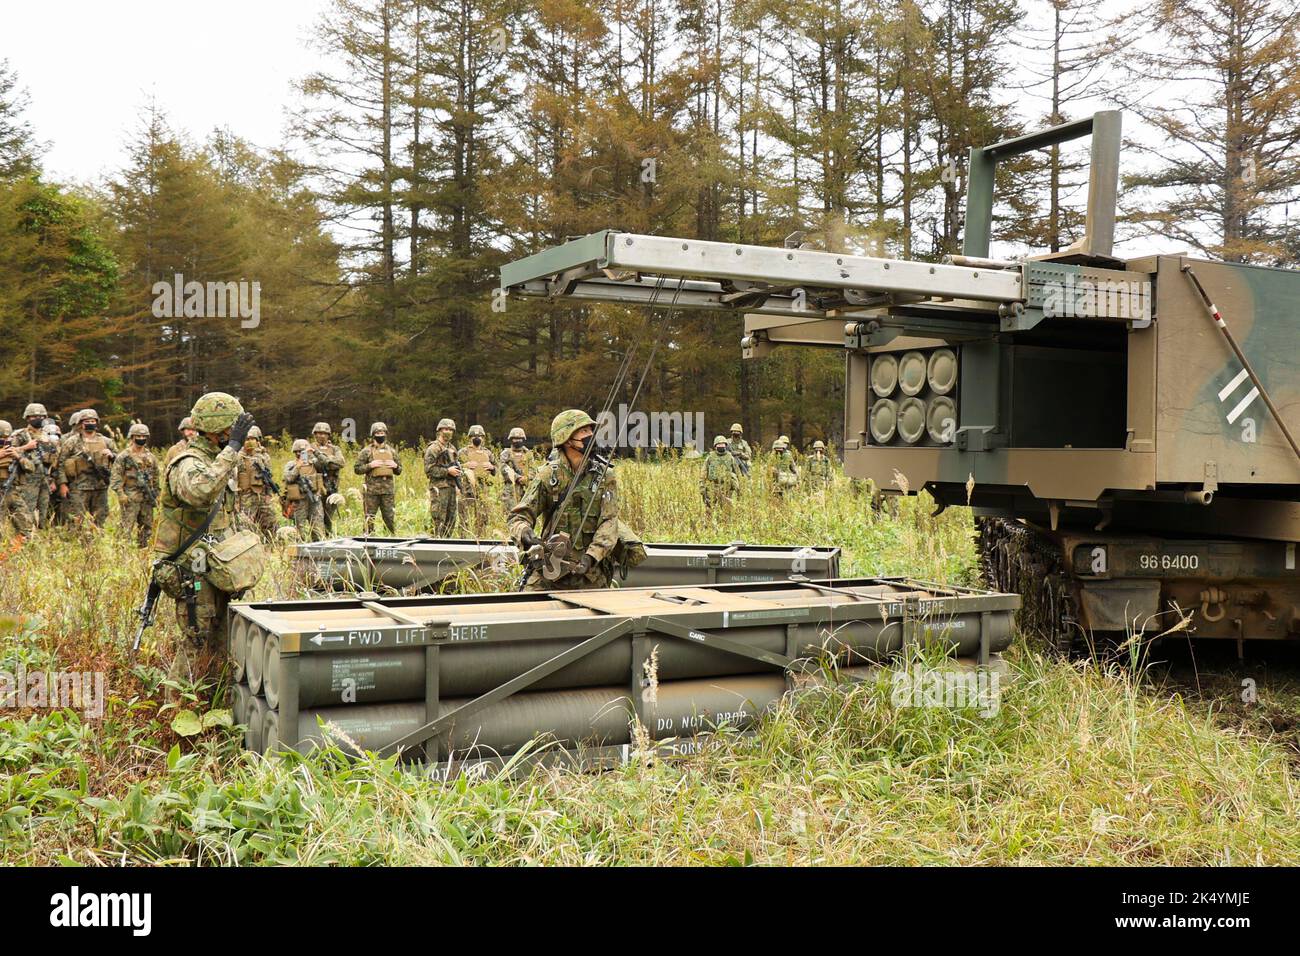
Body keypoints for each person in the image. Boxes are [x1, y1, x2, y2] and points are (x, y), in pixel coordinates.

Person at [152, 392, 265, 687]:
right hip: (192, 569)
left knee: (224, 637)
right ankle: (179, 705)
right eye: (232, 429)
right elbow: (200, 491)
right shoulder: (187, 462)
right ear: (218, 429)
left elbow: (226, 517)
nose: (237, 436)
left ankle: (215, 697)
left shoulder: (217, 460)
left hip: (217, 565)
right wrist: (232, 449)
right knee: (196, 640)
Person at [508, 409, 636, 592]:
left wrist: (591, 556)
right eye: (584, 431)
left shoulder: (605, 476)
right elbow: (519, 517)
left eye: (591, 430)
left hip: (590, 574)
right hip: (550, 570)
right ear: (566, 439)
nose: (591, 435)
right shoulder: (548, 476)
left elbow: (609, 521)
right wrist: (524, 532)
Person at [58, 408, 117, 529]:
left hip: (100, 486)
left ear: (97, 422)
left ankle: (97, 539)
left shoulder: (106, 441)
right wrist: (63, 484)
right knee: (77, 519)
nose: (90, 423)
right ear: (81, 424)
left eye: (92, 421)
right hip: (78, 487)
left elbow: (119, 462)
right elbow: (60, 463)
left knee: (100, 519)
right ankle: (78, 540)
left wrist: (112, 455)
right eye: (86, 421)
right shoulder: (72, 442)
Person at [109, 423, 159, 547]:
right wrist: (120, 494)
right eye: (138, 436)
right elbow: (116, 476)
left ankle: (144, 550)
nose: (141, 439)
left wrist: (156, 494)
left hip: (147, 497)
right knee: (126, 527)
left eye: (143, 436)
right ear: (132, 437)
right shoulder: (124, 456)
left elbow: (155, 477)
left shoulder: (151, 457)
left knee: (147, 527)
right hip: (130, 496)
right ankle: (122, 550)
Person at [355, 421, 401, 535]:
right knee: (369, 519)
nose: (380, 435)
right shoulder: (366, 451)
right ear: (373, 434)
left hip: (388, 491)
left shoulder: (392, 451)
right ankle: (368, 539)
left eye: (382, 433)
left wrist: (395, 466)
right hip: (371, 491)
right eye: (378, 433)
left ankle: (390, 539)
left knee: (389, 519)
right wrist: (370, 465)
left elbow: (399, 470)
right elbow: (357, 469)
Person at [235, 426, 279, 541]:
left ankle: (272, 546)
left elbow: (268, 477)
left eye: (252, 439)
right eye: (247, 439)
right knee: (246, 527)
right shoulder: (238, 457)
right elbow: (233, 480)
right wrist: (236, 501)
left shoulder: (264, 456)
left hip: (263, 496)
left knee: (271, 524)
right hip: (245, 497)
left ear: (258, 441)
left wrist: (269, 494)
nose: (249, 442)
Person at [282, 438, 327, 541]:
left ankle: (319, 546)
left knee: (318, 527)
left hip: (314, 499)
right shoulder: (291, 464)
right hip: (299, 501)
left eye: (302, 452)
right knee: (300, 528)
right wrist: (297, 467)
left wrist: (315, 452)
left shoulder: (314, 463)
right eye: (297, 452)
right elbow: (288, 478)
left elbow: (326, 463)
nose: (299, 454)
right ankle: (300, 547)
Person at [423, 418, 460, 537]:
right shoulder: (433, 448)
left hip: (451, 488)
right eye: (446, 429)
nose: (448, 431)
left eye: (450, 429)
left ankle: (446, 544)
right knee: (438, 520)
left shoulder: (452, 448)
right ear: (439, 430)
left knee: (451, 520)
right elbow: (429, 469)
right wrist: (447, 471)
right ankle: (435, 543)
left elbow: (456, 467)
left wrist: (458, 485)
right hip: (439, 489)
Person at [458, 424, 496, 537]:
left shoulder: (488, 453)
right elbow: (455, 467)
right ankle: (463, 540)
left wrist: (492, 467)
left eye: (479, 436)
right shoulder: (462, 452)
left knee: (483, 517)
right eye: (474, 436)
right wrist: (465, 465)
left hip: (483, 489)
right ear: (470, 438)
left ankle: (481, 538)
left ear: (483, 438)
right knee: (465, 517)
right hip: (466, 488)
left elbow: (497, 468)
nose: (477, 438)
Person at [311, 422, 346, 532]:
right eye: (319, 433)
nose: (322, 436)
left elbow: (341, 463)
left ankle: (328, 536)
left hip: (331, 486)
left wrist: (324, 460)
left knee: (329, 517)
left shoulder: (335, 449)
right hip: (315, 487)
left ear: (328, 435)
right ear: (315, 434)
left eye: (324, 433)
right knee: (316, 517)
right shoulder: (309, 448)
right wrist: (330, 460)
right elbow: (308, 465)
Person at [700, 435, 742, 508]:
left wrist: (739, 487)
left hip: (726, 488)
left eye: (722, 444)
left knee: (726, 510)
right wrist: (702, 487)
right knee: (709, 509)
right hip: (712, 487)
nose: (721, 446)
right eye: (719, 444)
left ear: (725, 445)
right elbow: (703, 473)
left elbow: (737, 472)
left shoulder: (730, 457)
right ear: (715, 446)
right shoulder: (710, 457)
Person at [498, 427, 535, 510]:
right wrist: (518, 478)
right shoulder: (506, 454)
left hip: (526, 488)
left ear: (523, 439)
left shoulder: (528, 453)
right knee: (510, 511)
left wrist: (526, 478)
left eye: (519, 438)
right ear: (511, 439)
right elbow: (503, 468)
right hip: (510, 489)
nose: (517, 441)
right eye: (515, 439)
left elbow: (532, 469)